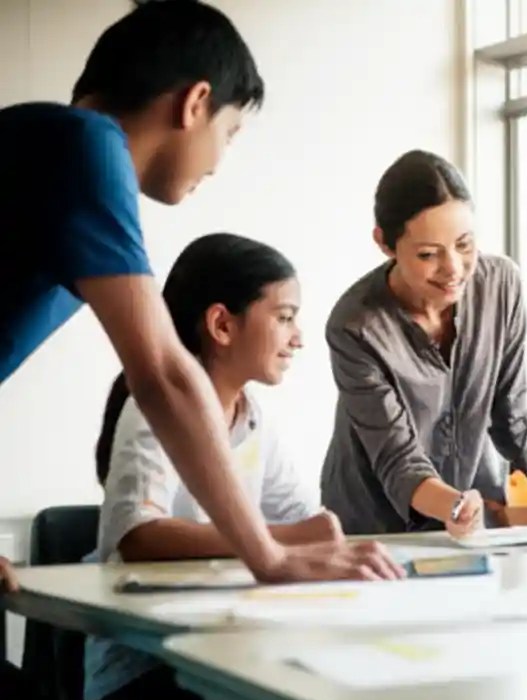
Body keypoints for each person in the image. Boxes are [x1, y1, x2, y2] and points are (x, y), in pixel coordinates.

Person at [0, 0, 397, 591]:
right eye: (229, 131)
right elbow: (161, 372)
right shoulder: (86, 146)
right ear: (195, 103)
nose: (219, 160)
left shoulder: (48, 149)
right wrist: (270, 556)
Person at [85, 234, 342, 700]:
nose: (299, 337)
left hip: (226, 645)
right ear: (222, 325)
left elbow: (311, 526)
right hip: (148, 671)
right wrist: (284, 540)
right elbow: (138, 535)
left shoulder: (252, 419)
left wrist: (317, 540)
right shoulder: (152, 409)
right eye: (284, 317)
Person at [322, 150, 527, 535]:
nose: (454, 270)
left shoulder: (500, 285)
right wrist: (455, 506)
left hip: (475, 514)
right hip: (377, 525)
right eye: (428, 254)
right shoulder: (355, 325)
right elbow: (397, 459)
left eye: (464, 245)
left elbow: (511, 414)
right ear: (384, 243)